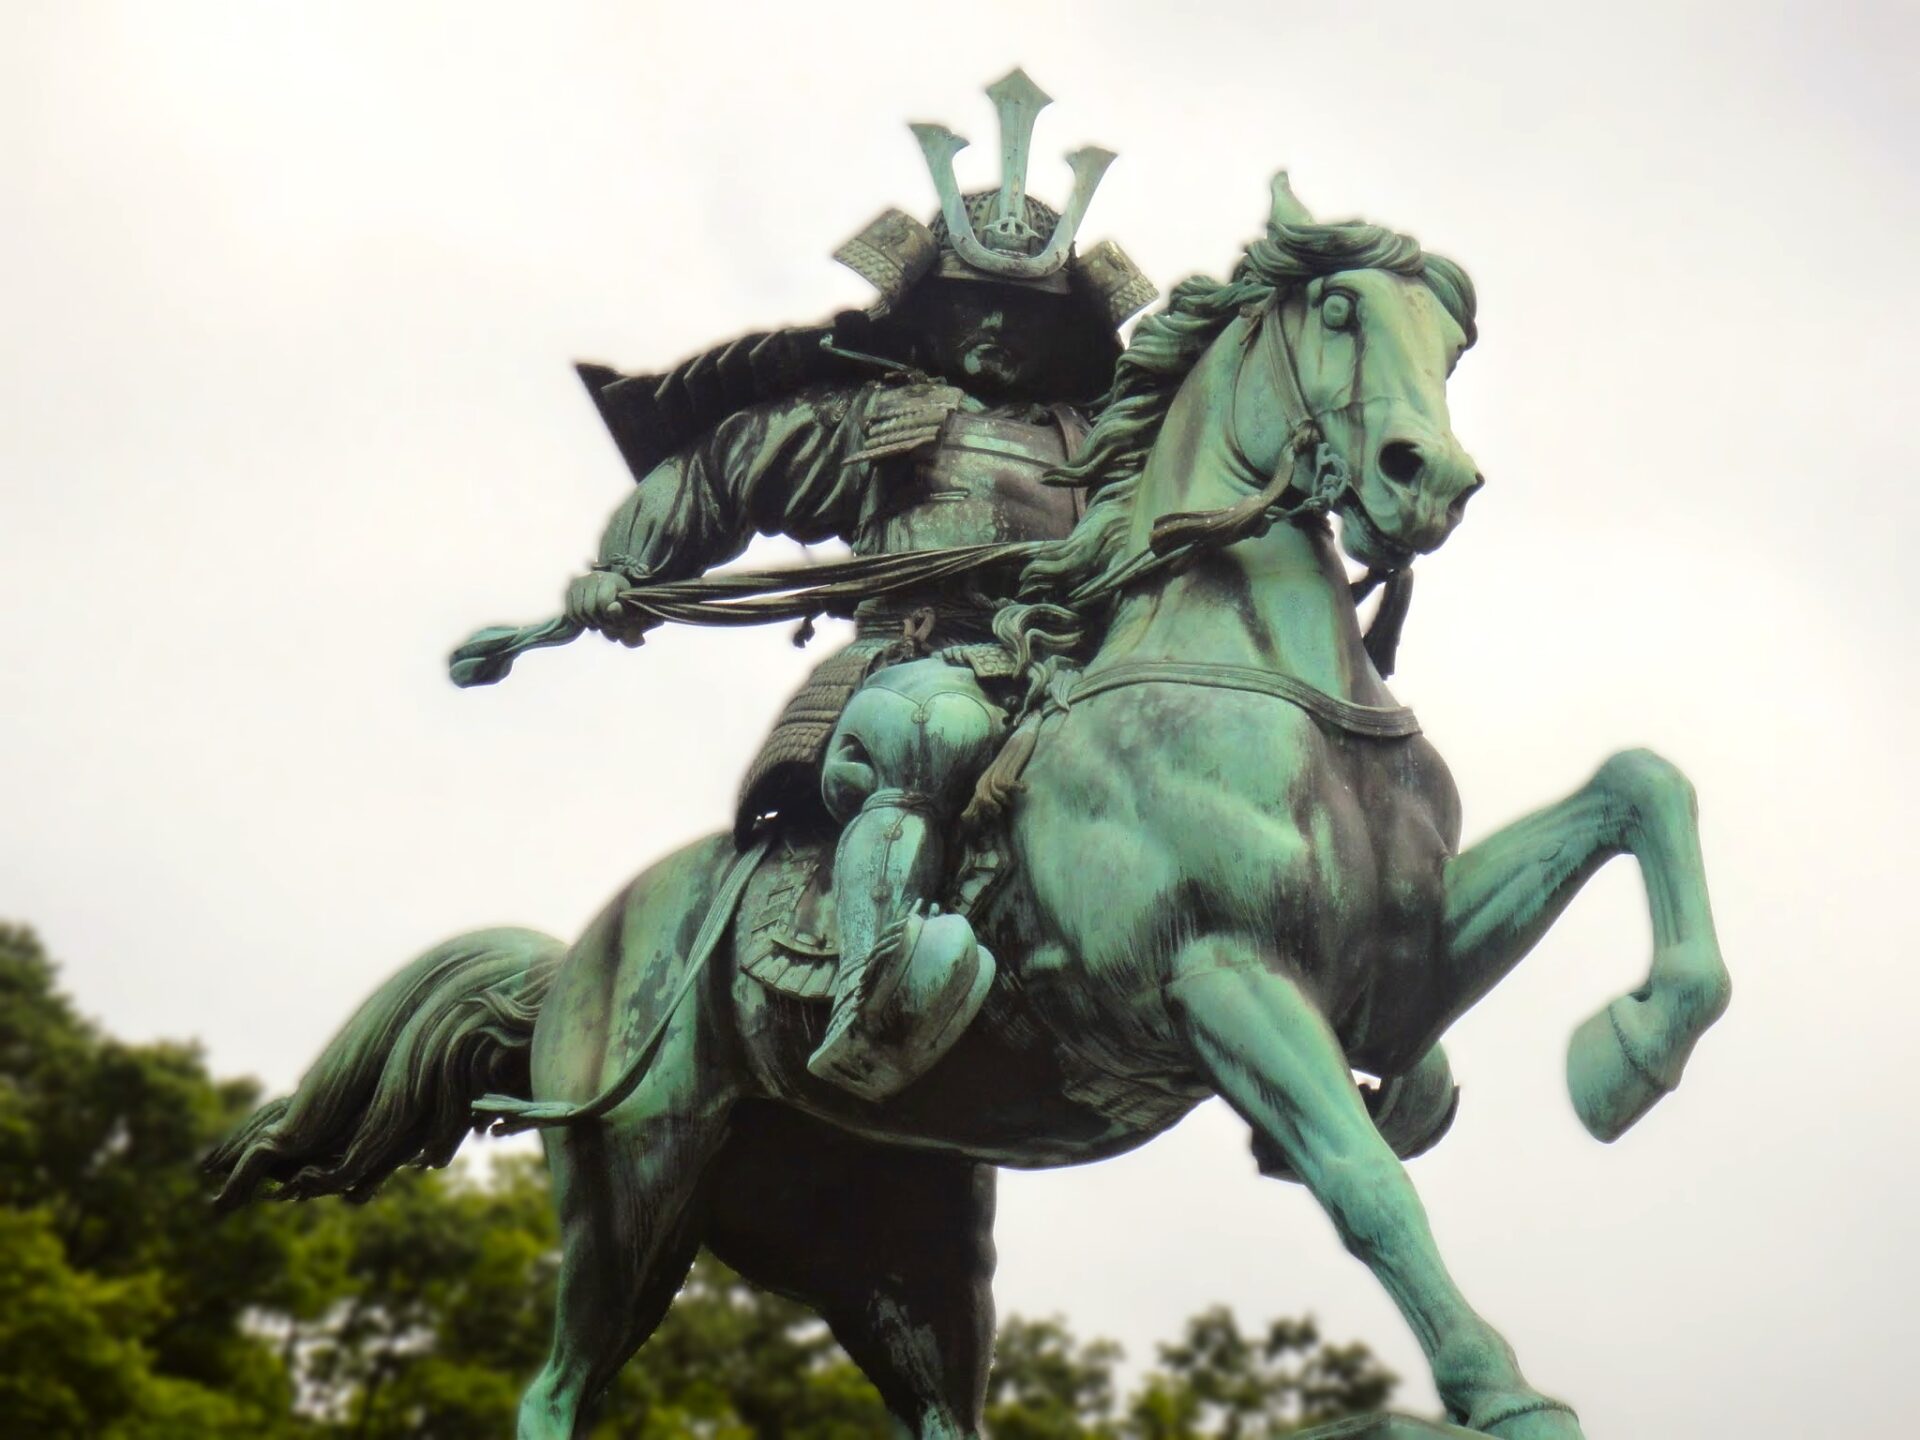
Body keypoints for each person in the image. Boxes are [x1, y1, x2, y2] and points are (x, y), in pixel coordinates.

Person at [561, 71, 1153, 1099]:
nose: (997, 332)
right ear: (928, 316)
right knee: (927, 733)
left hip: (1071, 669)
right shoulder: (876, 418)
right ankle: (872, 993)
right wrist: (626, 565)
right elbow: (724, 469)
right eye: (974, 308)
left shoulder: (1106, 446)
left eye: (1022, 316)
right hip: (922, 658)